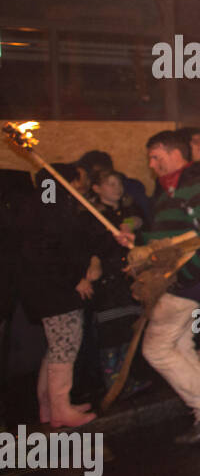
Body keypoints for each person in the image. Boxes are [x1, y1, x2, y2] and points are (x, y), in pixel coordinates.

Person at [118, 130, 200, 442]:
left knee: (156, 348)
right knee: (180, 346)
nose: (152, 164)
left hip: (187, 285)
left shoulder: (195, 188)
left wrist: (186, 276)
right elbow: (169, 242)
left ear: (174, 154)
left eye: (156, 156)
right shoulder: (169, 193)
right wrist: (139, 242)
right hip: (181, 283)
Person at [15, 166, 97, 428]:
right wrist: (76, 279)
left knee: (56, 348)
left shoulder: (40, 203)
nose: (81, 185)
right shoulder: (52, 206)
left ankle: (50, 405)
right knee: (64, 347)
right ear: (69, 180)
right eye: (79, 179)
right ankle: (60, 409)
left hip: (46, 291)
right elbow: (51, 251)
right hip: (56, 293)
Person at [88, 169, 147, 396]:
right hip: (107, 283)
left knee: (128, 330)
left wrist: (131, 223)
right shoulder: (91, 216)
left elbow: (142, 221)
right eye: (110, 183)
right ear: (97, 188)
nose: (116, 188)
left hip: (128, 280)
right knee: (110, 333)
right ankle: (112, 383)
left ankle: (127, 378)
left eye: (118, 183)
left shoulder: (128, 211)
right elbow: (92, 245)